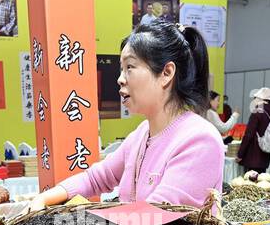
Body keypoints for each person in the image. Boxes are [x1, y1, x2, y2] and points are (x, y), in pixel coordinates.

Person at [29, 21, 223, 208]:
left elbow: (156, 213)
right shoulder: (141, 134)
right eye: (122, 69)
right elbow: (96, 177)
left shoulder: (200, 139)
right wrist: (43, 199)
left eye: (130, 67)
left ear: (166, 73)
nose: (120, 79)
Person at [237, 86, 270, 176]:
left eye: (255, 98)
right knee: (261, 182)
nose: (254, 100)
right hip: (265, 156)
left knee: (250, 186)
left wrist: (240, 154)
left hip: (252, 157)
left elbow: (248, 135)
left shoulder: (258, 112)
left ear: (261, 99)